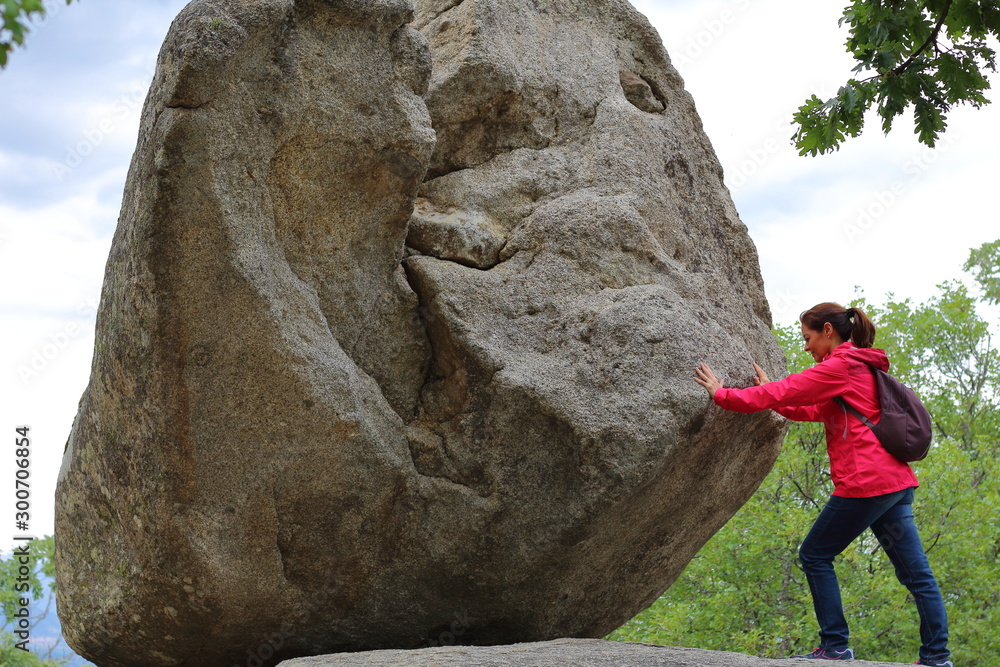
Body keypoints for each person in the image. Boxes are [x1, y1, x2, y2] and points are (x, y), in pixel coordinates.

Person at [692, 302, 951, 665]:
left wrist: (722, 394)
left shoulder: (841, 366)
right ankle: (937, 657)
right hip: (894, 482)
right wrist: (774, 396)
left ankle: (835, 646)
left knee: (814, 555)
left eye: (808, 338)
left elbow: (786, 391)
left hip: (866, 483)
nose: (806, 347)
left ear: (828, 331)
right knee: (916, 574)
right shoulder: (859, 366)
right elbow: (814, 409)